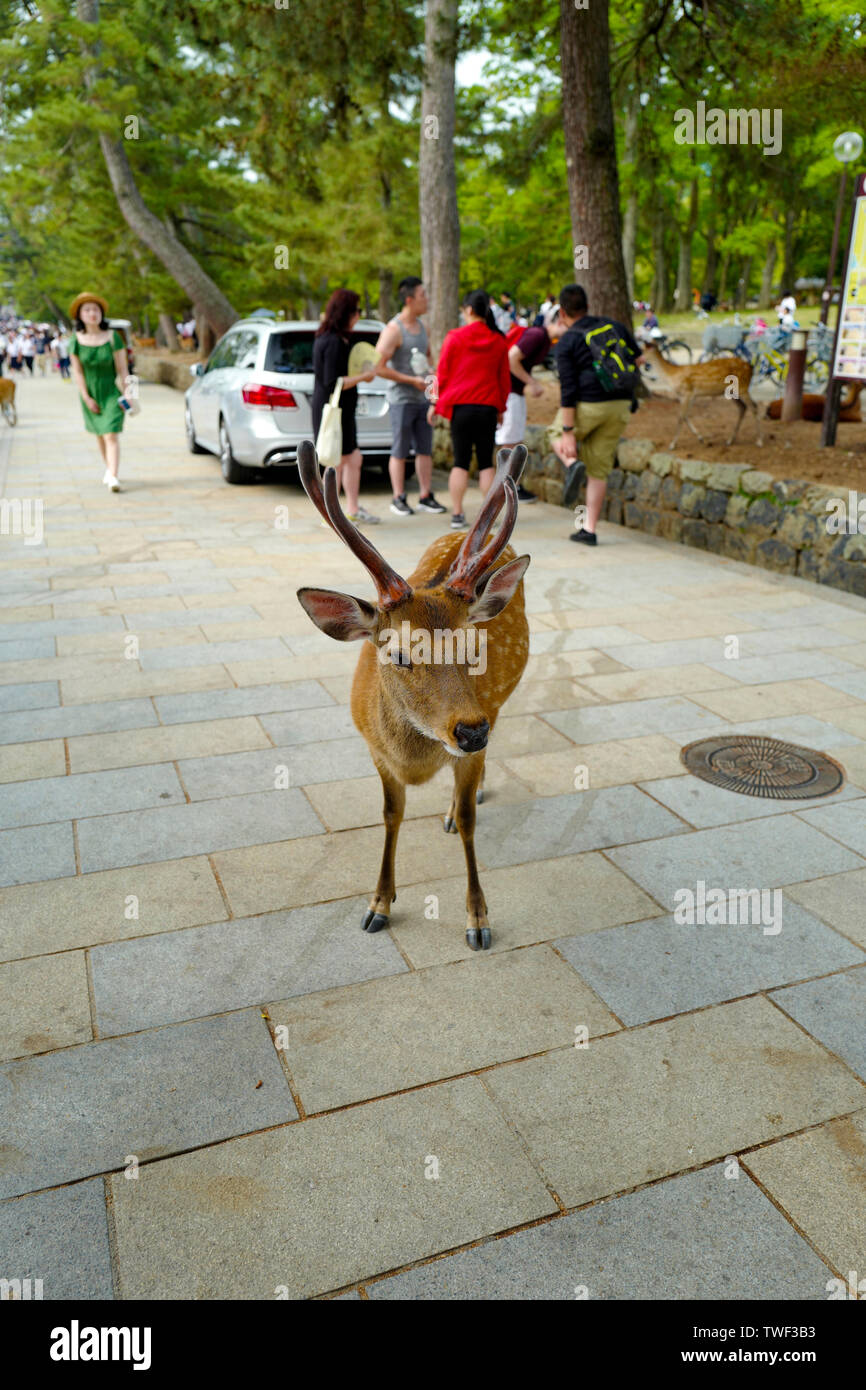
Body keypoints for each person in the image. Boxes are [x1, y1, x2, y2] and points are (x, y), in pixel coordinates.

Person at [552, 282, 643, 546]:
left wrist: (567, 433)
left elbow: (568, 391)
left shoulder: (567, 341)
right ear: (587, 305)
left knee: (553, 435)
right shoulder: (612, 326)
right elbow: (638, 358)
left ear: (562, 312)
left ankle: (572, 465)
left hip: (588, 406)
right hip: (620, 405)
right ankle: (588, 530)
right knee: (599, 469)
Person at [428, 289, 510, 530]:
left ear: (469, 310)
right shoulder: (498, 340)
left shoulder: (455, 337)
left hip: (461, 409)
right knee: (486, 463)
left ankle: (457, 513)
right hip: (487, 409)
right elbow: (503, 379)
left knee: (460, 462)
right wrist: (501, 408)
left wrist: (433, 402)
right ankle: (488, 516)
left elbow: (441, 373)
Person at [373, 276, 445, 517]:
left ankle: (426, 495)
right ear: (409, 299)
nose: (427, 299)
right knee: (400, 449)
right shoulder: (394, 330)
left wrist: (433, 396)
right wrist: (410, 381)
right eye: (423, 295)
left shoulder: (424, 327)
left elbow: (430, 362)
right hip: (401, 400)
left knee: (425, 449)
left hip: (422, 400)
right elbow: (379, 367)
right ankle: (399, 497)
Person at [311, 288, 380, 524]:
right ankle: (332, 513)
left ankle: (349, 508)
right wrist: (364, 377)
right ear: (346, 313)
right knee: (335, 461)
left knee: (351, 458)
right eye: (356, 310)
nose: (359, 315)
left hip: (342, 409)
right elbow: (333, 382)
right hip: (334, 409)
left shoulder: (335, 338)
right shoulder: (332, 341)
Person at [495, 304, 561, 503]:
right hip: (510, 393)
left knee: (514, 439)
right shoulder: (537, 336)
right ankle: (505, 489)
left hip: (514, 393)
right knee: (510, 440)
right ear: (560, 320)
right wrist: (531, 382)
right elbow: (511, 358)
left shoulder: (544, 339)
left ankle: (510, 486)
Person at [68, 292, 132, 492]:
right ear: (80, 315)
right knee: (100, 434)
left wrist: (128, 392)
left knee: (110, 433)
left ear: (102, 313)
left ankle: (113, 475)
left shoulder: (113, 338)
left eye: (95, 309)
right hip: (90, 392)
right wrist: (86, 397)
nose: (92, 314)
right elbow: (77, 371)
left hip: (111, 391)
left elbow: (123, 369)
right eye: (87, 310)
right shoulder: (75, 340)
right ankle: (109, 468)